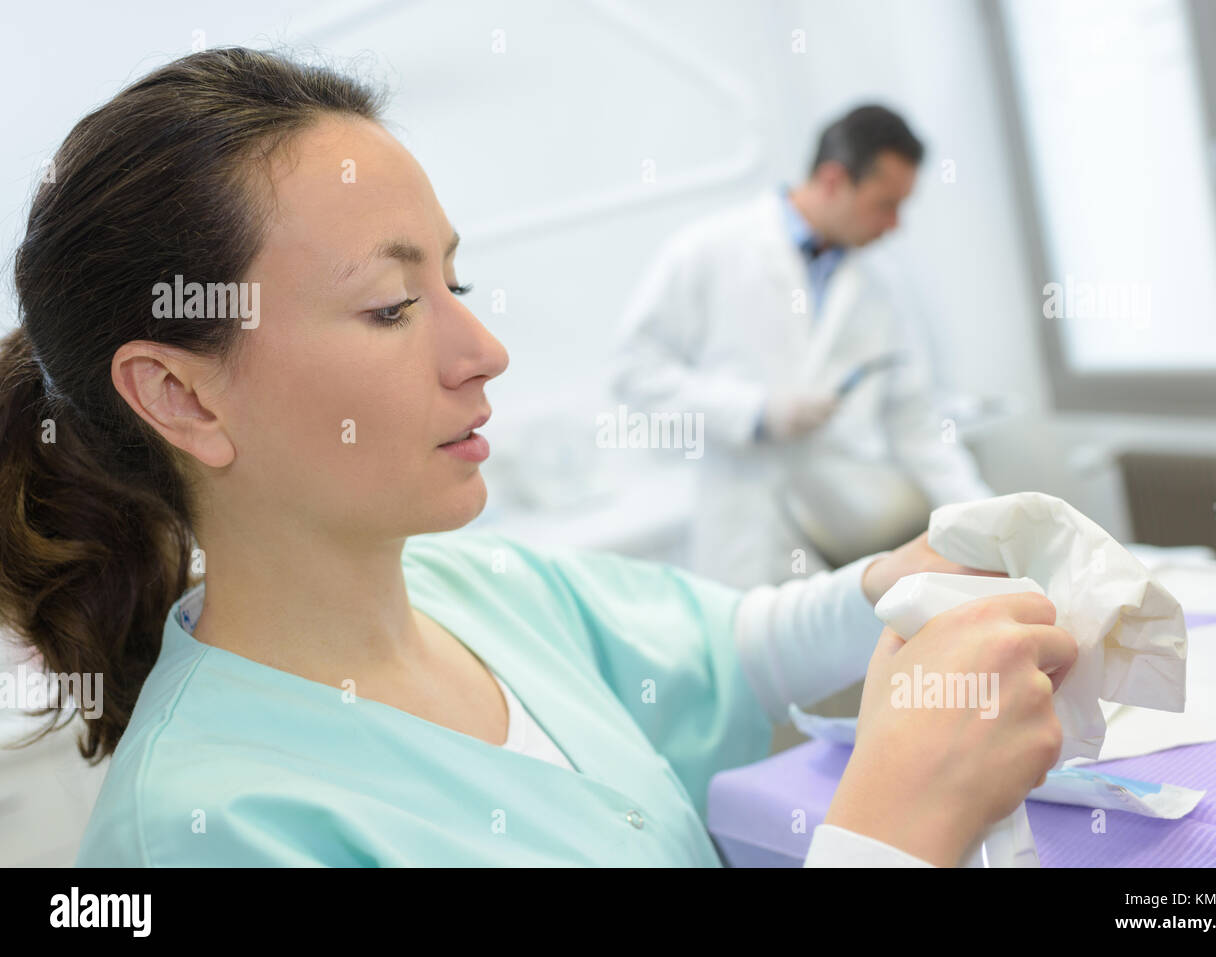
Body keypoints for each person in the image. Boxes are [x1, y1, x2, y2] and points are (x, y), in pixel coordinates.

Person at [0, 48, 1074, 867]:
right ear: (181, 396)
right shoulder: (213, 829)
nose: (484, 353)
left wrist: (892, 584)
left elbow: (727, 653)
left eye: (455, 287)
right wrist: (890, 827)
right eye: (390, 306)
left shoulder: (487, 590)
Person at [611, 105, 994, 589]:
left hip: (843, 528)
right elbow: (634, 370)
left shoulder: (881, 285)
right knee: (752, 653)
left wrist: (984, 517)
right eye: (885, 204)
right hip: (744, 530)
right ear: (834, 180)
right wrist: (754, 412)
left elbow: (915, 420)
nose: (895, 225)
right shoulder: (708, 250)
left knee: (857, 657)